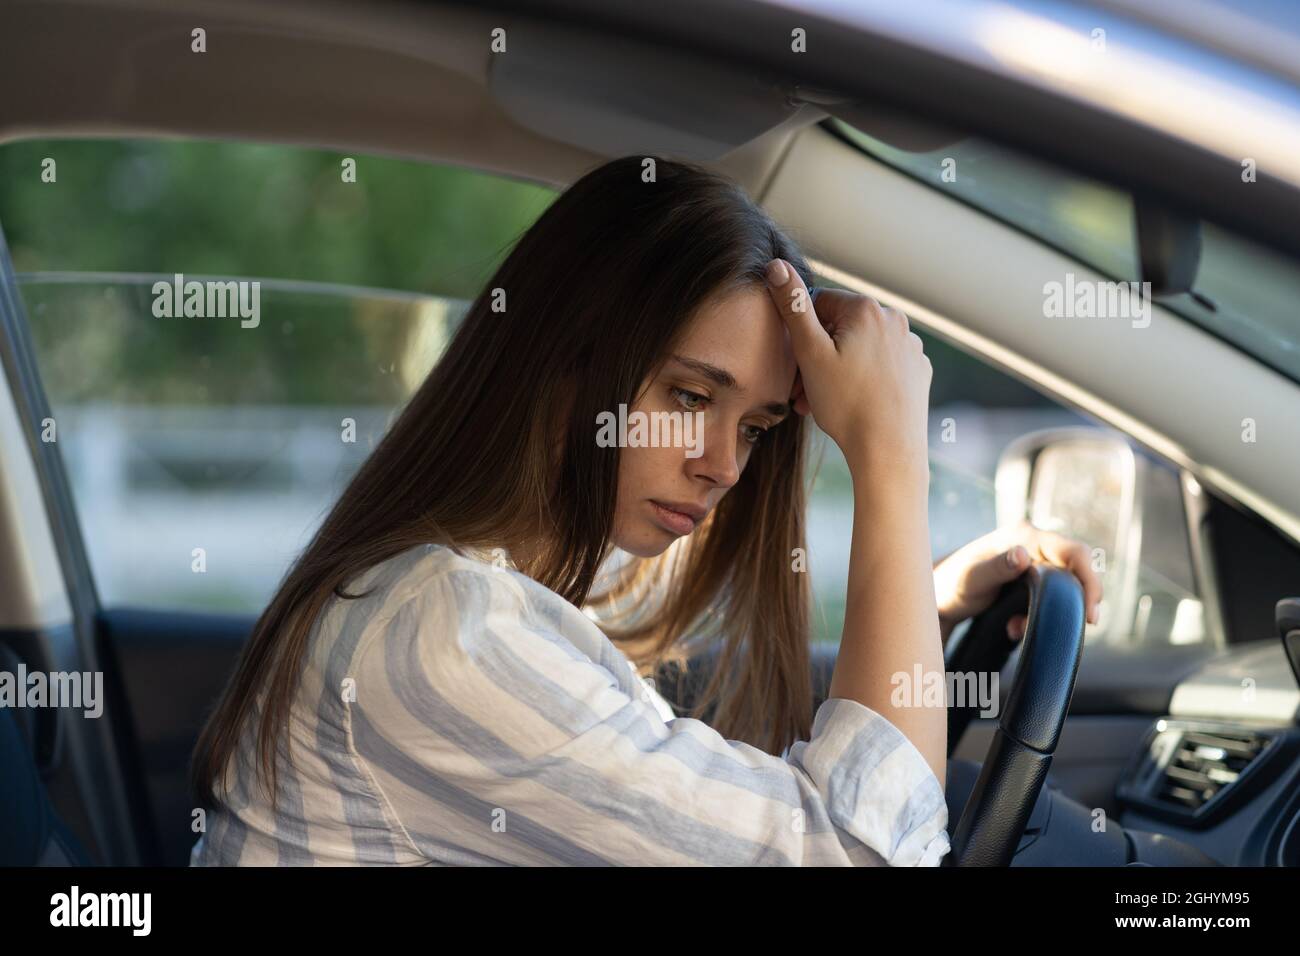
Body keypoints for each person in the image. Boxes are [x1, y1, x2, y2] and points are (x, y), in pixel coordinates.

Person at [189, 156, 1102, 866]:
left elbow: (667, 756)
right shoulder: (446, 633)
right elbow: (857, 851)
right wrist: (890, 459)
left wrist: (926, 601)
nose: (722, 468)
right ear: (564, 361)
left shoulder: (493, 588)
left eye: (757, 426)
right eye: (691, 396)